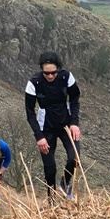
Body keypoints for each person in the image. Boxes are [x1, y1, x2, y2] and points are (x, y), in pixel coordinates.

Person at [24, 51, 81, 200]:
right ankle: (51, 198)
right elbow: (30, 112)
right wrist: (39, 136)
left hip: (66, 124)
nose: (50, 76)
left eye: (53, 73)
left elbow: (74, 98)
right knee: (50, 167)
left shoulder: (66, 77)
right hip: (46, 127)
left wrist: (74, 123)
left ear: (58, 69)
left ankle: (65, 184)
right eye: (46, 73)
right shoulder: (34, 82)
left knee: (74, 158)